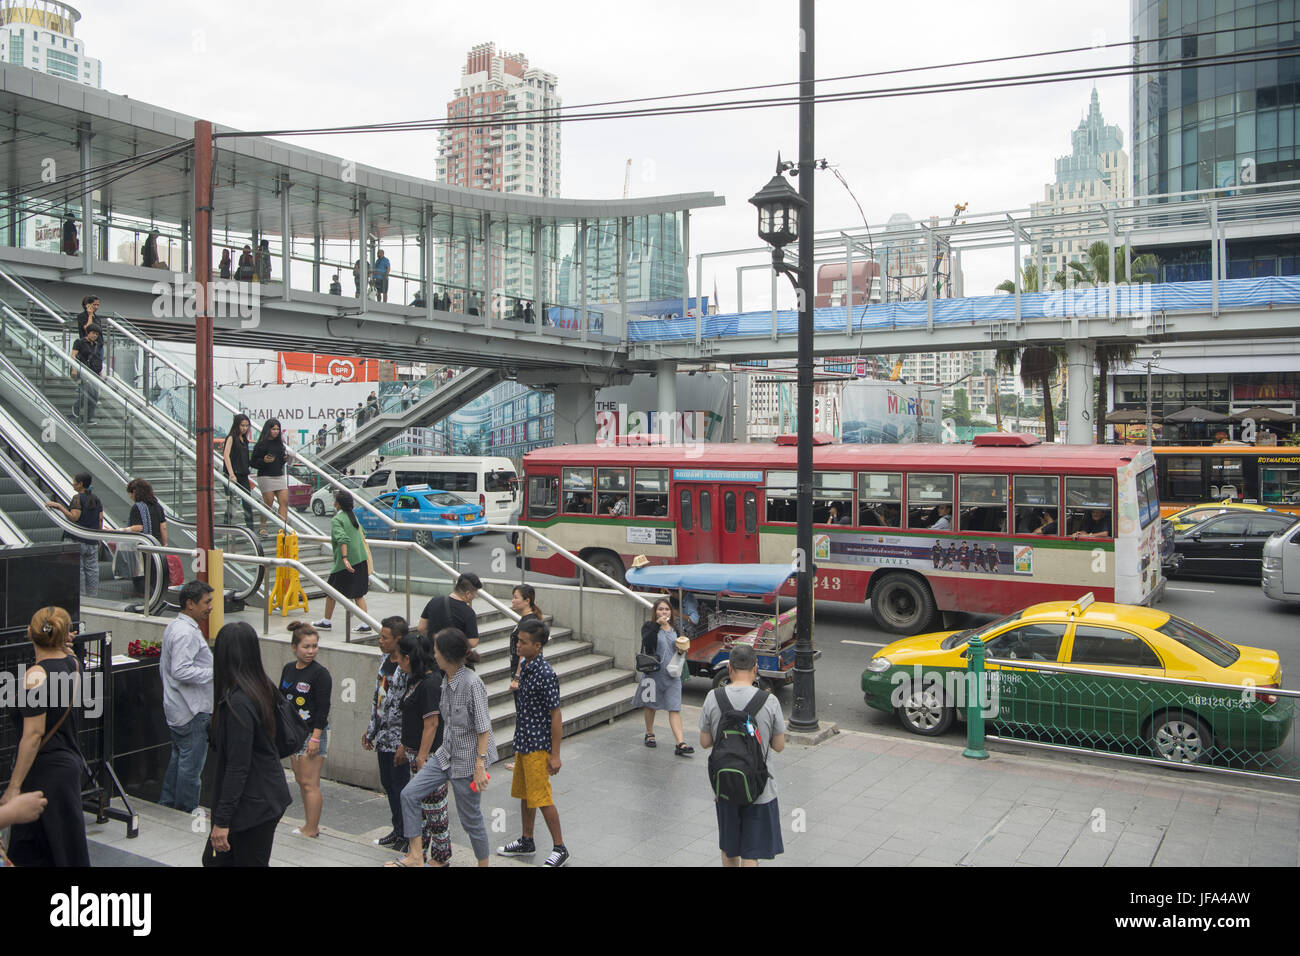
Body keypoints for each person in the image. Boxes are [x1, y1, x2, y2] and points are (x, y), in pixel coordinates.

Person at [390, 628, 495, 868]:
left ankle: (483, 864)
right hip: (445, 754)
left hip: (468, 761)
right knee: (409, 794)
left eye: (436, 651)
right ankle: (416, 856)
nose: (433, 655)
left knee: (471, 821)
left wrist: (480, 765)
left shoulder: (472, 683)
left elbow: (483, 728)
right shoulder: (444, 678)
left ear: (447, 655)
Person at [0, 607, 90, 866]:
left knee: (35, 849)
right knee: (64, 847)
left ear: (29, 633)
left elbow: (33, 734)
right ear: (65, 637)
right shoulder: (73, 663)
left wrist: (14, 786)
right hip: (68, 765)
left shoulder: (35, 677)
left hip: (43, 771)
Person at [204, 622, 292, 867]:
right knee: (214, 861)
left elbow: (238, 765)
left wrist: (221, 821)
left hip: (254, 804)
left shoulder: (238, 702)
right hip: (264, 796)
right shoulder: (262, 686)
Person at [698, 643, 786, 867]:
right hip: (760, 787)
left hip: (725, 785)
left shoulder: (713, 697)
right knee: (751, 853)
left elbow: (705, 742)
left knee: (729, 849)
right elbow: (779, 745)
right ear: (755, 668)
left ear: (730, 669)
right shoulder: (769, 701)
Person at [497, 619, 568, 866]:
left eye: (523, 642)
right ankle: (527, 839)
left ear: (537, 646)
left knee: (542, 797)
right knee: (526, 794)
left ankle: (560, 847)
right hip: (524, 741)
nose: (518, 645)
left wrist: (555, 754)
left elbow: (556, 714)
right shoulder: (525, 665)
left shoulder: (546, 673)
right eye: (518, 640)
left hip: (538, 745)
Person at [388, 630, 446, 864]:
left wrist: (422, 758)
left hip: (430, 756)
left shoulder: (431, 683)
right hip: (415, 753)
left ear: (408, 658)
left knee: (434, 808)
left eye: (399, 657)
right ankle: (418, 852)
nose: (397, 662)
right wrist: (404, 745)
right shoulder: (417, 679)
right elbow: (411, 718)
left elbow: (431, 724)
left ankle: (441, 857)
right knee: (421, 807)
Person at [159, 580, 214, 813]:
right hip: (191, 711)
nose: (210, 607)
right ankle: (183, 811)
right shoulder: (185, 633)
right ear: (190, 604)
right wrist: (216, 672)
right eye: (206, 602)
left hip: (179, 708)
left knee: (178, 760)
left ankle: (167, 804)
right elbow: (180, 670)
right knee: (190, 768)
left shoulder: (177, 627)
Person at [364, 616, 412, 853]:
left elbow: (408, 706)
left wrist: (405, 742)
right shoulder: (384, 659)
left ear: (398, 639)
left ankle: (408, 834)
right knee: (388, 784)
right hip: (382, 734)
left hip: (399, 738)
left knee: (401, 785)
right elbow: (378, 695)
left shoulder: (408, 666)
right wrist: (371, 728)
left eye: (384, 637)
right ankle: (397, 829)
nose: (380, 640)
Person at [282, 621, 331, 839]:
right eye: (306, 646)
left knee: (310, 783)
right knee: (301, 780)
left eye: (314, 646)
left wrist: (316, 738)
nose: (311, 651)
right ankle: (307, 824)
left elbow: (323, 709)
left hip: (312, 733)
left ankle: (312, 828)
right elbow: (281, 700)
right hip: (293, 733)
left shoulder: (321, 674)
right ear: (294, 647)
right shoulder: (288, 669)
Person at [635, 597, 693, 756]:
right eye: (660, 609)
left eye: (666, 609)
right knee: (650, 705)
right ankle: (649, 732)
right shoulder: (649, 626)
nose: (664, 612)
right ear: (655, 611)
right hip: (653, 673)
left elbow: (679, 650)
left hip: (673, 675)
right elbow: (647, 642)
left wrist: (682, 650)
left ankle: (680, 743)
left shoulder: (676, 629)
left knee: (674, 708)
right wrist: (656, 625)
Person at [314, 489, 373, 632]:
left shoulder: (337, 520)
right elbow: (362, 533)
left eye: (335, 501)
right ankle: (366, 623)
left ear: (338, 505)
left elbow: (342, 539)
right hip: (360, 559)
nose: (334, 503)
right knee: (358, 593)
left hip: (345, 564)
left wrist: (345, 558)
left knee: (331, 592)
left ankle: (326, 621)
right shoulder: (353, 517)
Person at [45, 472, 103, 596]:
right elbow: (100, 518)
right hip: (92, 540)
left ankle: (80, 598)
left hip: (76, 540)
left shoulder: (77, 498)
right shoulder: (96, 498)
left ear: (80, 484)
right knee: (92, 570)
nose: (73, 484)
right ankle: (93, 597)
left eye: (74, 482)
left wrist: (59, 506)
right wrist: (98, 537)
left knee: (78, 570)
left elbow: (75, 517)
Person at [125, 478, 168, 597]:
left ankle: (147, 602)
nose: (130, 496)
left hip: (143, 547)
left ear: (134, 492)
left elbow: (138, 527)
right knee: (154, 576)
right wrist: (164, 545)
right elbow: (163, 527)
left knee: (142, 577)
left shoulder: (137, 507)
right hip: (156, 546)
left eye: (130, 493)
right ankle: (156, 600)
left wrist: (122, 530)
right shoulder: (157, 506)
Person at [251, 418, 293, 536]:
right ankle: (263, 526)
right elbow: (253, 462)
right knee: (268, 502)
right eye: (273, 429)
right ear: (268, 429)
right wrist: (264, 461)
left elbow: (280, 462)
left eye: (277, 429)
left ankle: (283, 528)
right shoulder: (261, 444)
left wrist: (285, 459)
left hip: (278, 475)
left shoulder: (280, 444)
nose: (276, 431)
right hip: (265, 476)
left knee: (284, 501)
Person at [418, 572, 481, 648]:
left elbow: (421, 627)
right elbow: (473, 642)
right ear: (468, 594)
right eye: (475, 594)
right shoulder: (468, 612)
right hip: (452, 656)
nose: (475, 596)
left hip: (432, 653)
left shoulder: (434, 600)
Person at [222, 413, 255, 528]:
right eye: (242, 425)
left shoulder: (244, 440)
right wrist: (231, 474)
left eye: (246, 426)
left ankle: (251, 529)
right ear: (237, 425)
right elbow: (226, 455)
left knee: (247, 503)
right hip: (233, 474)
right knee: (231, 503)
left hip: (243, 474)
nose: (245, 428)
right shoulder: (231, 437)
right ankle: (226, 527)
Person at [507, 584, 542, 688]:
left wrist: (517, 678)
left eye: (516, 597)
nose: (513, 600)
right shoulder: (526, 619)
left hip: (526, 676)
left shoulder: (529, 622)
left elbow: (524, 653)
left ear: (527, 601)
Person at [70, 323, 103, 424]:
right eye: (93, 333)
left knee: (95, 395)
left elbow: (98, 359)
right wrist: (74, 369)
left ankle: (88, 418)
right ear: (87, 333)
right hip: (83, 371)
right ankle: (76, 407)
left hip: (94, 372)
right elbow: (73, 356)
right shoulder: (79, 342)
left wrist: (100, 371)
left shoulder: (96, 345)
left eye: (96, 334)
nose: (94, 336)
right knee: (88, 392)